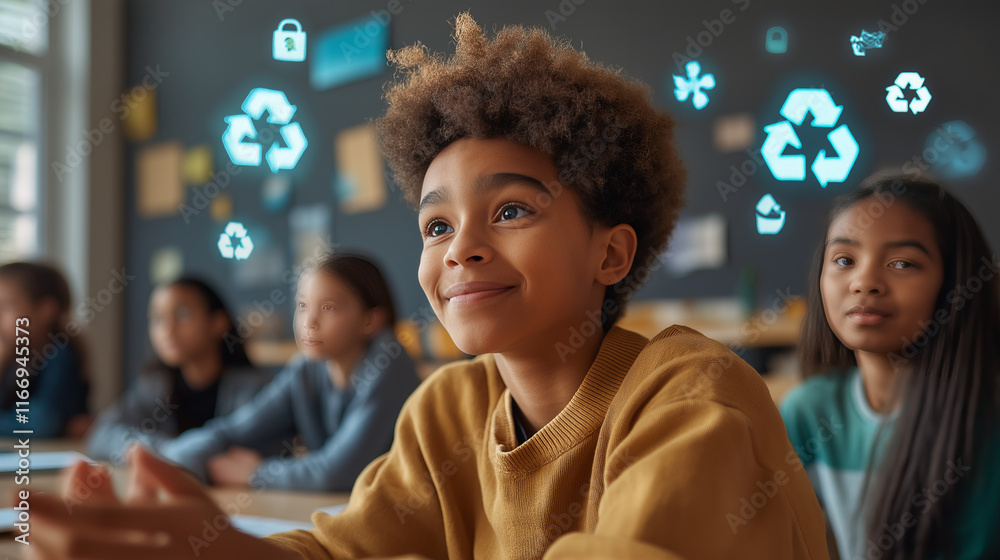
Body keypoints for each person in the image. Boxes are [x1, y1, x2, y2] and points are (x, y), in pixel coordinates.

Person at [30, 13, 828, 559]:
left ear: (611, 254)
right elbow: (343, 547)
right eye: (437, 226)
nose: (462, 249)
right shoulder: (450, 408)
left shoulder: (693, 394)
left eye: (511, 209)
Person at [781, 173, 1000, 559]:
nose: (864, 282)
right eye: (844, 260)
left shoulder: (985, 426)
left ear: (954, 284)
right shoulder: (808, 414)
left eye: (902, 263)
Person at [157, 253, 421, 492]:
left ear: (371, 320)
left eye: (328, 307)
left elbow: (334, 475)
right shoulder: (306, 369)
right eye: (303, 306)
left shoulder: (389, 363)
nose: (309, 323)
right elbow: (232, 431)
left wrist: (255, 473)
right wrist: (167, 461)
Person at [86, 277, 272, 463]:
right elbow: (102, 434)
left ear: (218, 323)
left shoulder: (254, 390)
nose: (168, 329)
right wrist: (166, 450)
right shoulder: (156, 386)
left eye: (182, 315)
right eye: (158, 319)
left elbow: (257, 450)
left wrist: (168, 455)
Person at [0, 262, 88, 438]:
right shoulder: (12, 358)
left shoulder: (59, 356)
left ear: (46, 311)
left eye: (6, 307)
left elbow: (41, 423)